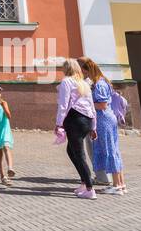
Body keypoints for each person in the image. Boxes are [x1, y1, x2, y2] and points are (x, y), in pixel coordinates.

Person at [80, 56, 126, 195]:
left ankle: (117, 185)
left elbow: (102, 104)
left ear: (87, 69)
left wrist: (86, 104)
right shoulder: (101, 81)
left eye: (83, 71)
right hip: (106, 119)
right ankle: (120, 184)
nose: (83, 74)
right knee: (114, 150)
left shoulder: (99, 84)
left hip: (103, 120)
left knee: (110, 151)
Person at [54, 58, 97, 198]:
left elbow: (63, 104)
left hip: (74, 120)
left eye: (63, 68)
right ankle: (84, 183)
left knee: (78, 154)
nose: (62, 70)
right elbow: (91, 106)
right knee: (72, 151)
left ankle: (90, 189)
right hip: (86, 120)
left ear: (67, 69)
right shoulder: (83, 83)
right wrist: (93, 126)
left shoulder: (66, 82)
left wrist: (59, 123)